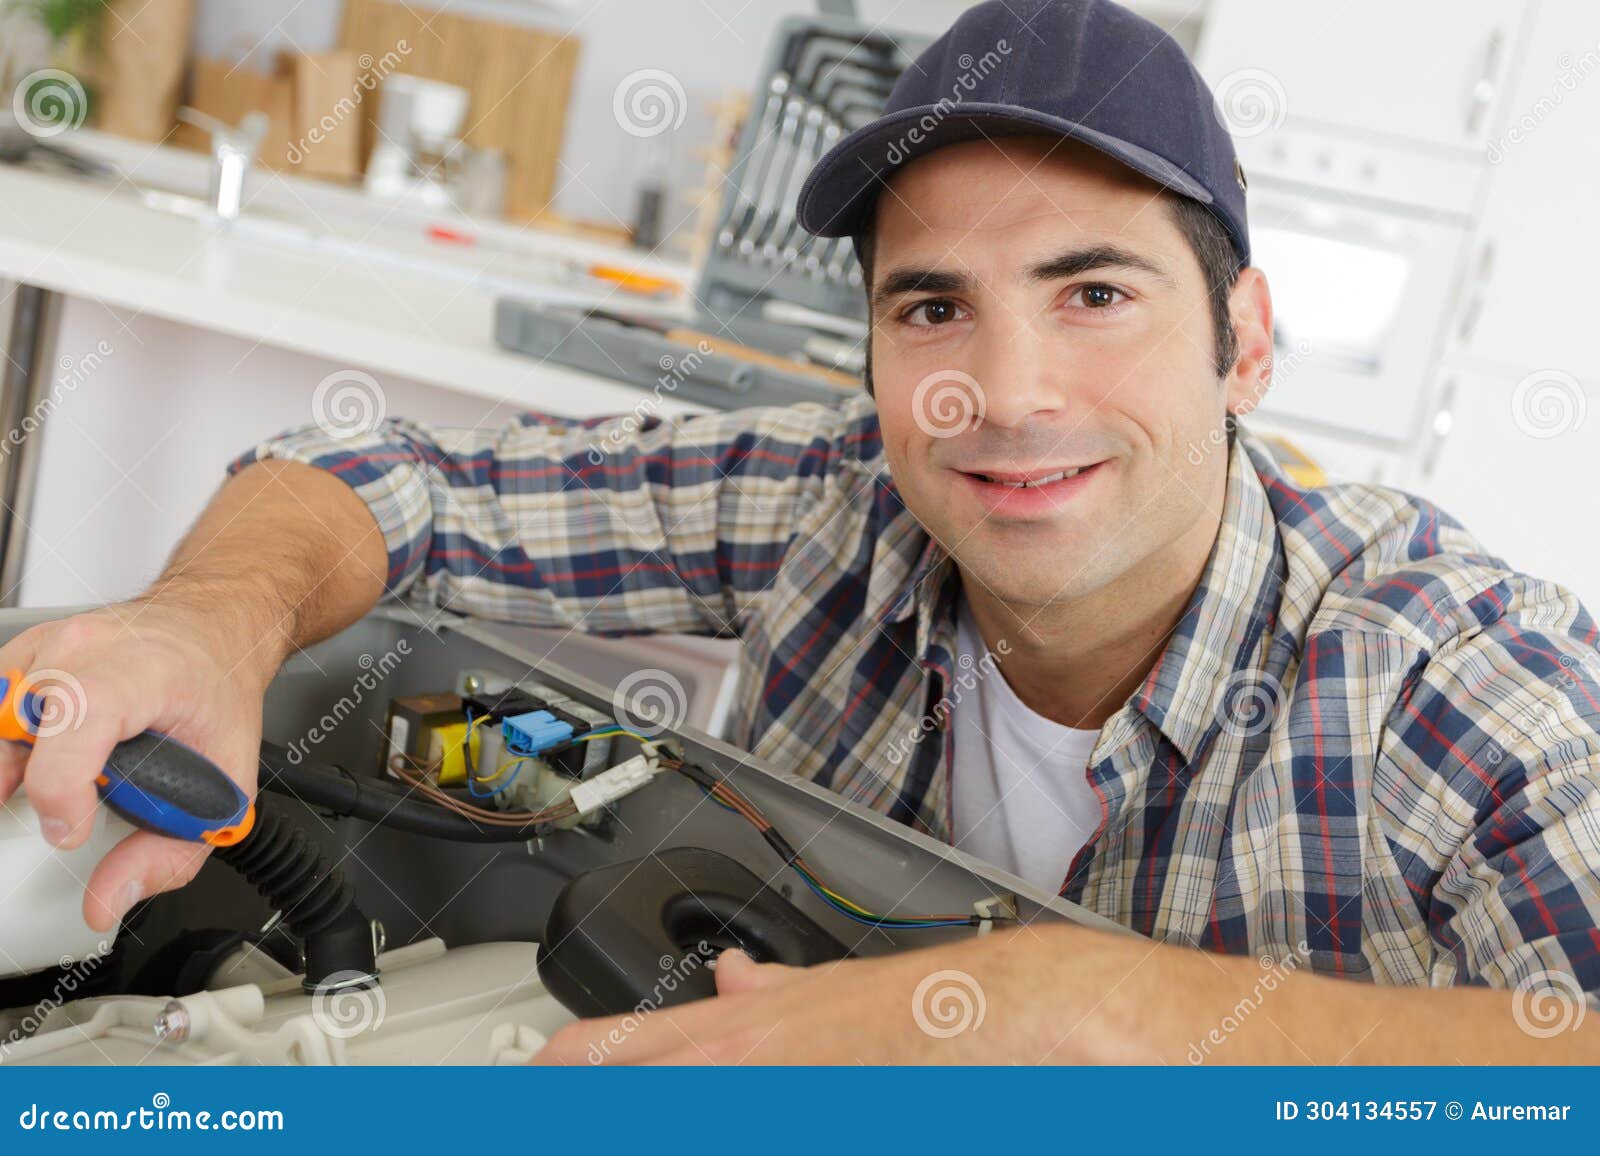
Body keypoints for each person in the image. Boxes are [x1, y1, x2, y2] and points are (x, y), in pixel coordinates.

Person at [4, 0, 1598, 1063]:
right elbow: (384, 481)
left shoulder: (1442, 679)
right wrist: (209, 620)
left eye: (1095, 294)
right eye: (934, 308)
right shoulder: (838, 502)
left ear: (1244, 339)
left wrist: (1076, 1006)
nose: (1007, 393)